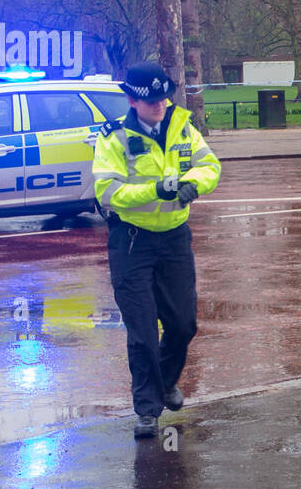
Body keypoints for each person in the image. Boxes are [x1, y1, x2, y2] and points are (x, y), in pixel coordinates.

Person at [93, 63, 221, 439]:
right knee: (143, 331)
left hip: (174, 238)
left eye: (164, 97)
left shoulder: (182, 126)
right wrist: (156, 191)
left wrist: (192, 186)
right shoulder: (113, 137)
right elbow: (108, 192)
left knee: (183, 324)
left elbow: (208, 165)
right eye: (151, 101)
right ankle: (147, 411)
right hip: (132, 241)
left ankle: (165, 381)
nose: (160, 105)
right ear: (132, 101)